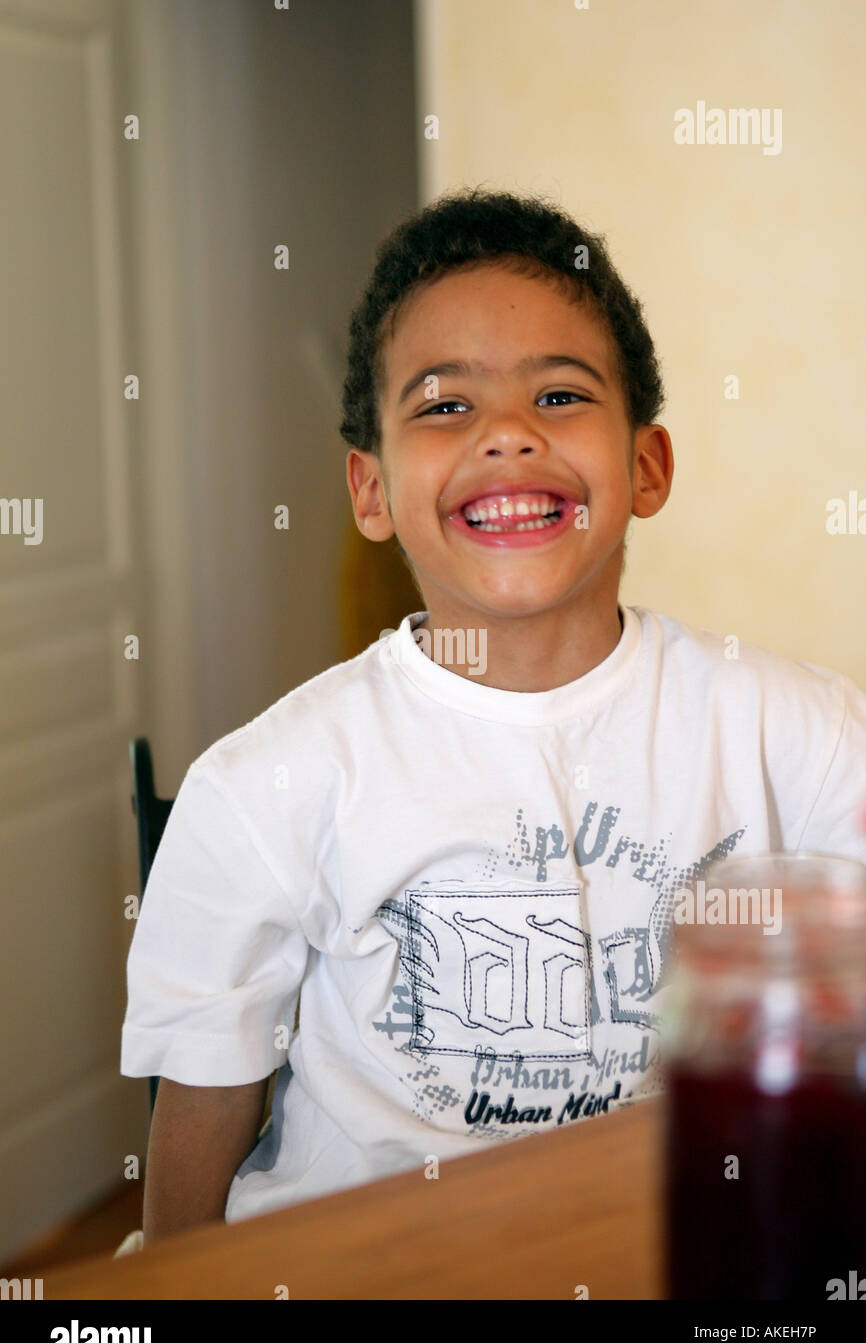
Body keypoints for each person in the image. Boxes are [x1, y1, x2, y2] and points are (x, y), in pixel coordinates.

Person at [121, 187, 866, 1243]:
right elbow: (200, 1110)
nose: (508, 435)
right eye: (442, 405)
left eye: (559, 397)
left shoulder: (800, 731)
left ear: (644, 465)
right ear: (369, 490)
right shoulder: (269, 780)